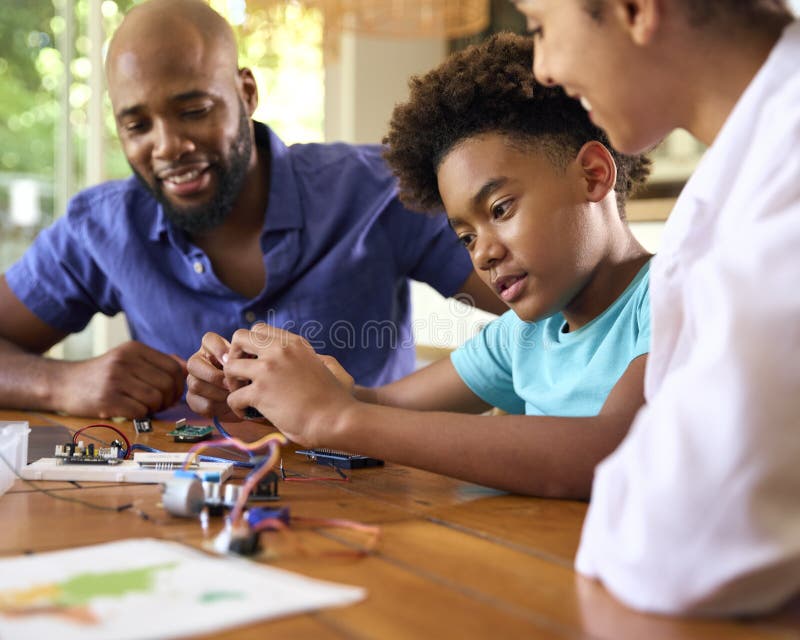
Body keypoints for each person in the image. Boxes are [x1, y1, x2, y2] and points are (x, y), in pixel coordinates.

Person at [186, 33, 653, 499]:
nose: (482, 254)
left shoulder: (675, 297)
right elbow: (385, 407)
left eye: (501, 209)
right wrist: (273, 396)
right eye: (465, 236)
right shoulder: (525, 336)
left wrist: (337, 417)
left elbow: (612, 453)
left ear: (592, 175)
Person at [0, 0, 502, 420]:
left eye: (193, 111)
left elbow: (552, 312)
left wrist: (373, 406)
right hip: (172, 514)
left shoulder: (377, 190)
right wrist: (61, 384)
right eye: (137, 126)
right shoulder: (100, 227)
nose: (168, 146)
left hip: (376, 508)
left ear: (246, 93)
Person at [512, 0, 800, 617]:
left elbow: (676, 547)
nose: (543, 68)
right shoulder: (740, 171)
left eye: (540, 27)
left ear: (636, 10)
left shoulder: (786, 176)